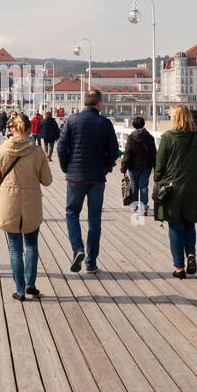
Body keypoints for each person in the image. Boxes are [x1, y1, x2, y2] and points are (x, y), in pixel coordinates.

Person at [57, 89, 119, 274]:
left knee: (71, 213)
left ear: (84, 102)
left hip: (75, 176)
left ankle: (78, 248)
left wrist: (65, 167)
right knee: (94, 219)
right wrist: (105, 168)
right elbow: (114, 150)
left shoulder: (72, 120)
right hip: (97, 177)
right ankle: (91, 263)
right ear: (99, 103)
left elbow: (61, 147)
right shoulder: (105, 123)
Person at [0, 111, 53, 300]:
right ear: (28, 129)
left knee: (15, 247)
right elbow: (47, 180)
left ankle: (19, 290)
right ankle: (30, 285)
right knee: (32, 244)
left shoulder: (2, 150)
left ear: (12, 129)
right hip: (31, 202)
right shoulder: (36, 152)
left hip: (9, 201)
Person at [155, 105, 197, 279]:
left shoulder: (168, 137)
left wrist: (159, 181)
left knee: (176, 225)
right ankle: (190, 254)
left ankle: (179, 267)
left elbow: (160, 165)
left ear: (175, 118)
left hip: (174, 187)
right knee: (189, 222)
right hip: (194, 187)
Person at [120, 115, 157, 214]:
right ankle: (144, 207)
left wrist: (123, 166)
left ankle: (134, 207)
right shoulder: (149, 137)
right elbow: (154, 153)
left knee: (134, 186)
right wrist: (156, 166)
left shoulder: (131, 137)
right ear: (143, 124)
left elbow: (127, 153)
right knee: (144, 186)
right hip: (146, 166)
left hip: (133, 166)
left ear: (133, 125)